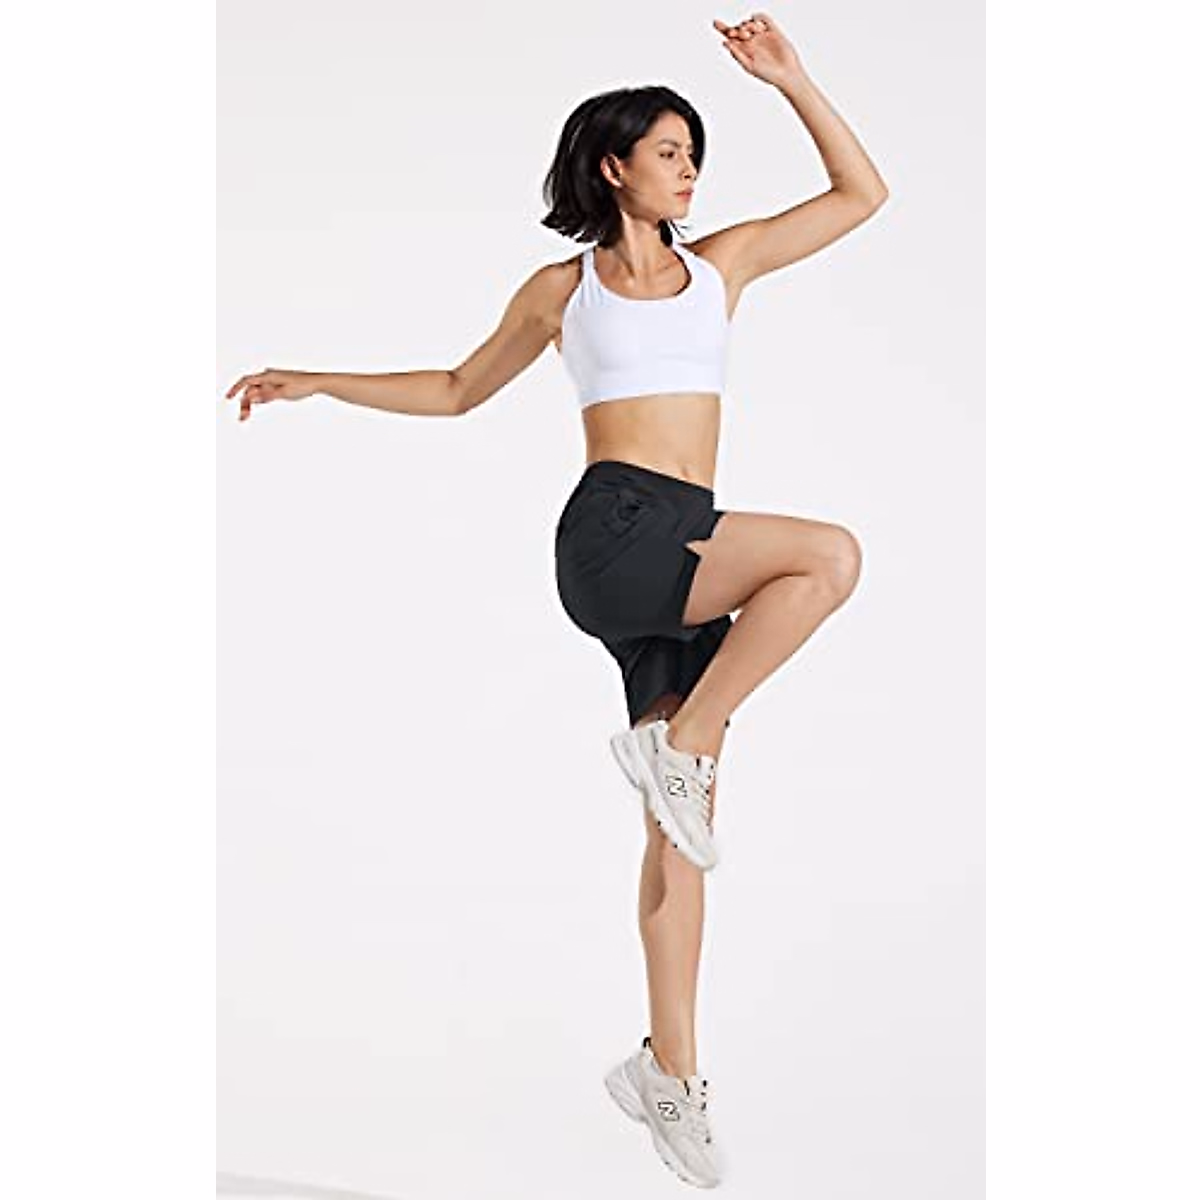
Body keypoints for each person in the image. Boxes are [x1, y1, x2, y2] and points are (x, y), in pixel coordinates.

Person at [224, 11, 887, 1188]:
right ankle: (682, 746)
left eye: (696, 153)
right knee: (827, 557)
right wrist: (320, 379)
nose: (690, 170)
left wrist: (792, 78)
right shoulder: (563, 289)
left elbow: (860, 194)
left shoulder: (721, 267)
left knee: (678, 838)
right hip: (619, 532)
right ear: (613, 165)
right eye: (670, 151)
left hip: (687, 556)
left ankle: (669, 1070)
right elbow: (456, 386)